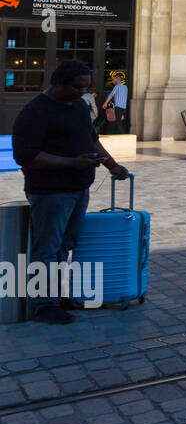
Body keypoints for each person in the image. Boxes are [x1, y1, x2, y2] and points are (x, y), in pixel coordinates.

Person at [12, 60, 130, 324]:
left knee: (65, 246)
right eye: (77, 87)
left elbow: (92, 139)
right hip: (51, 192)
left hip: (78, 188)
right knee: (47, 248)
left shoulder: (77, 106)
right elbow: (26, 156)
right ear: (59, 84)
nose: (82, 92)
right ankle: (43, 305)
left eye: (86, 87)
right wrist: (71, 163)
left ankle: (56, 296)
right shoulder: (35, 112)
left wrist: (112, 165)